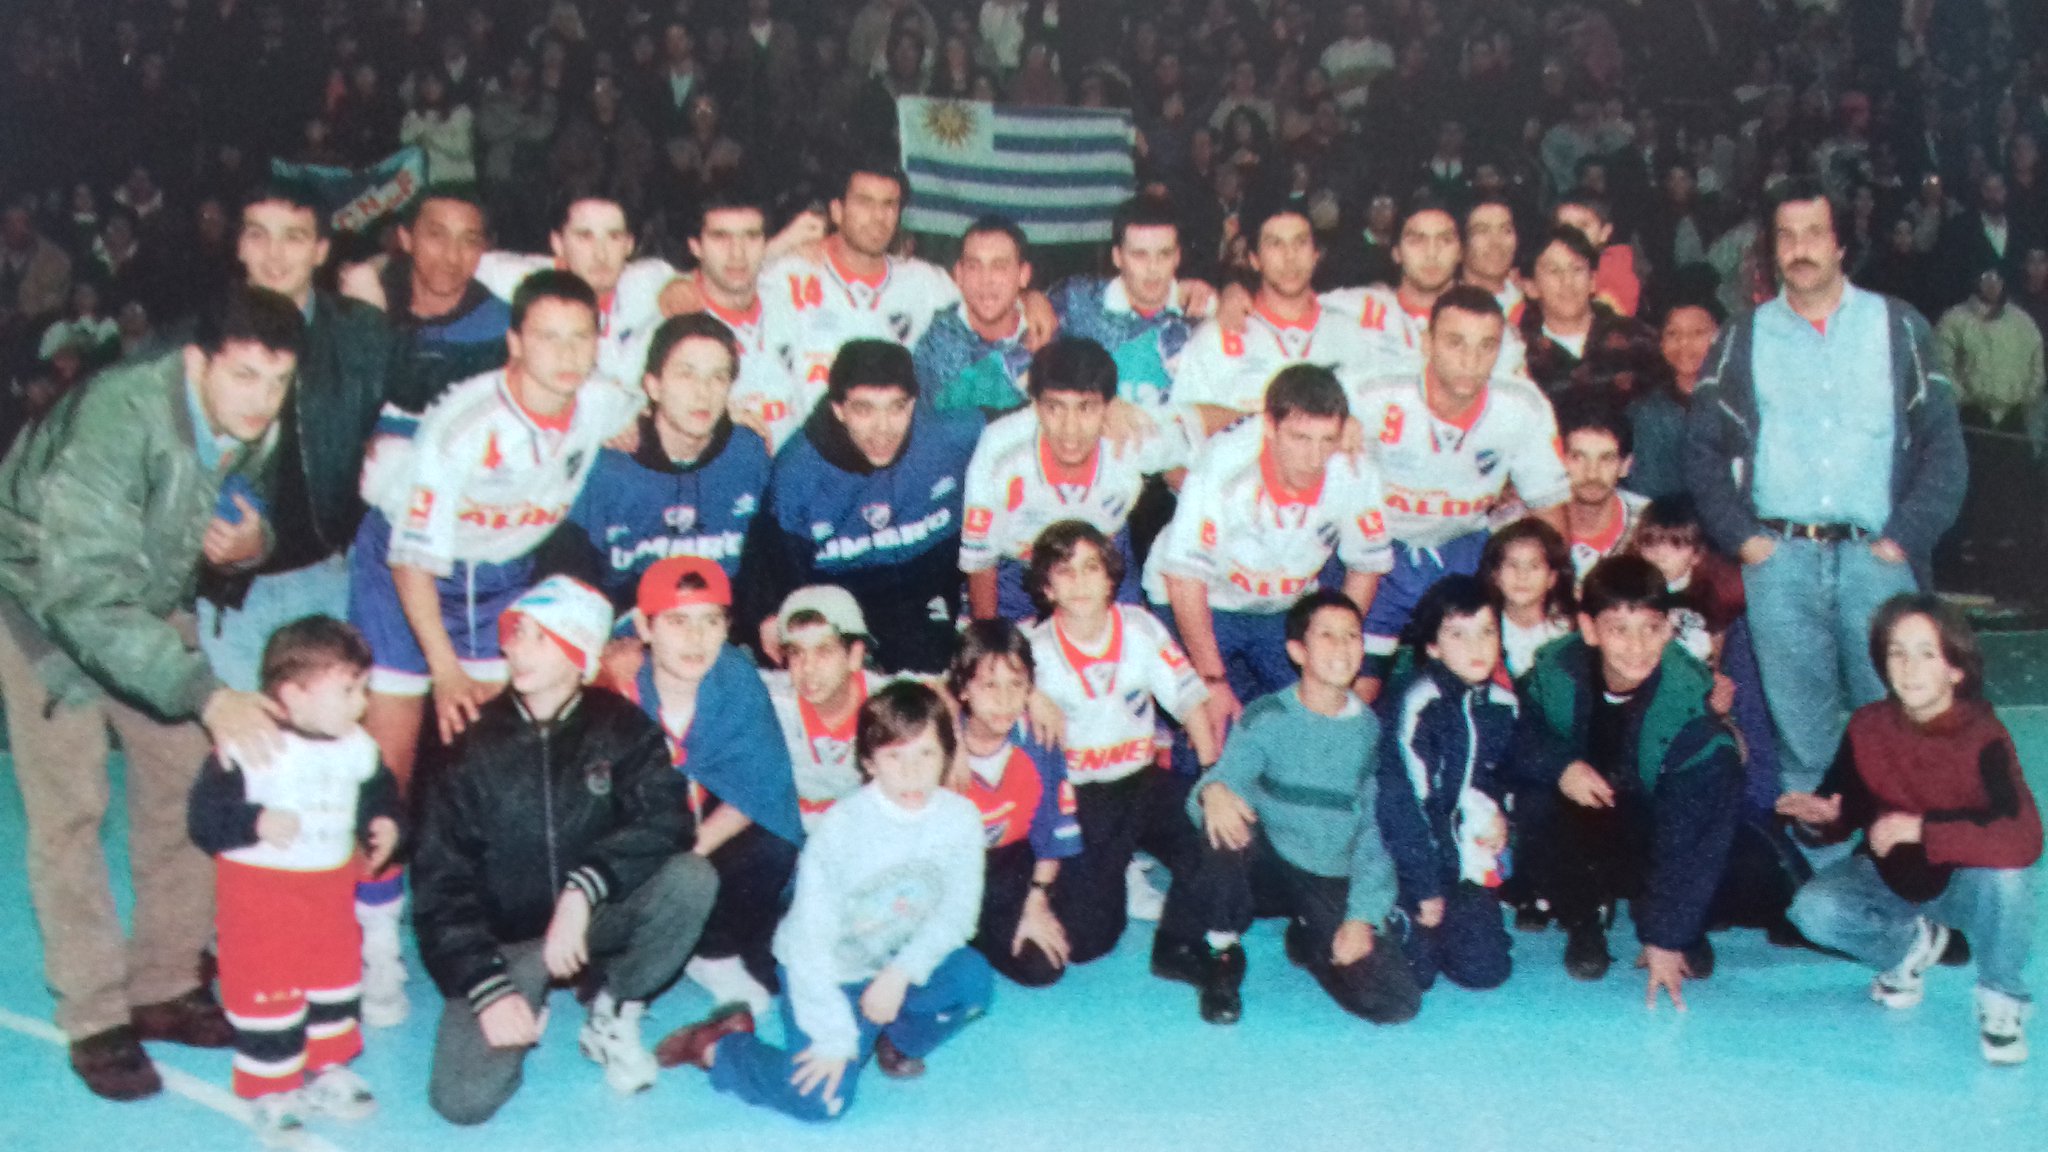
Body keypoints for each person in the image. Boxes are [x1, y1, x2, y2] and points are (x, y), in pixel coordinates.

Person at [0, 287, 300, 1100]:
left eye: (277, 382)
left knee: (184, 780)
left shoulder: (254, 410)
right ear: (197, 362)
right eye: (244, 378)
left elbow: (250, 502)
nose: (262, 400)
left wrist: (253, 541)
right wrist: (204, 690)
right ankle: (95, 1014)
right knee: (71, 808)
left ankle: (165, 983)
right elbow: (82, 597)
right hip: (40, 601)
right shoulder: (113, 421)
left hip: (144, 589)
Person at [1685, 178, 1967, 795]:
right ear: (1770, 249)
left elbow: (1945, 448)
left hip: (1877, 561)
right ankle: (1825, 886)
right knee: (1804, 746)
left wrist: (1903, 538)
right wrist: (1745, 540)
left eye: (1815, 233)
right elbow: (1700, 450)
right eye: (1786, 236)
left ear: (1841, 245)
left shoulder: (1899, 327)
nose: (1800, 248)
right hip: (1779, 564)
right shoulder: (1742, 336)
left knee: (1902, 726)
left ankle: (1908, 880)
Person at [412, 576, 718, 1124]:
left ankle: (611, 1005)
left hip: (591, 919)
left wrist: (583, 889)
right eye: (514, 634)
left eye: (537, 636)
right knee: (462, 1101)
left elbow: (669, 820)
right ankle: (529, 990)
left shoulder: (619, 724)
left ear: (579, 653)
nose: (514, 648)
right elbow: (439, 884)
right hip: (508, 943)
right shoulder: (468, 742)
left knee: (692, 878)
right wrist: (487, 987)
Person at [352, 269, 640, 788]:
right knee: (388, 771)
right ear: (515, 343)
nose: (567, 354)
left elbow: (639, 405)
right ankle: (383, 865)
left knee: (494, 765)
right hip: (405, 572)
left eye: (580, 338)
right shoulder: (464, 428)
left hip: (496, 577)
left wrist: (631, 422)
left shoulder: (601, 402)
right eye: (548, 337)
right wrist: (444, 669)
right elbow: (411, 559)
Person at [657, 681, 992, 1122]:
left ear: (947, 755)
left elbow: (957, 916)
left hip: (892, 965)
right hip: (830, 973)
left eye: (926, 754)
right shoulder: (842, 830)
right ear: (869, 762)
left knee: (972, 982)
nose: (912, 773)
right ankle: (717, 1047)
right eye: (895, 756)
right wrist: (835, 1036)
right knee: (822, 1102)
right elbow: (808, 947)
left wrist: (899, 974)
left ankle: (893, 1040)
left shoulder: (961, 819)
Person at [1780, 595, 2041, 1065]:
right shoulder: (1868, 726)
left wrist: (1920, 829)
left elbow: (2024, 836)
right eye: (1897, 652)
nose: (1909, 668)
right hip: (1889, 877)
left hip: (1961, 881)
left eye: (1927, 654)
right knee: (1812, 910)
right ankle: (1911, 948)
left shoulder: (1984, 737)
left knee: (2010, 876)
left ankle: (2001, 1000)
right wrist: (1819, 818)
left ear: (1955, 669)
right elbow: (1845, 809)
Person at [1152, 591, 1422, 1027]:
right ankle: (1221, 954)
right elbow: (1226, 776)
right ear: (1298, 651)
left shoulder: (1373, 732)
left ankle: (1310, 932)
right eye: (1327, 636)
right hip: (1267, 863)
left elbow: (1376, 836)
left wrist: (1361, 918)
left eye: (1352, 636)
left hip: (1327, 872)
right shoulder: (1267, 715)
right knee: (1223, 814)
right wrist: (1214, 791)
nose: (1342, 647)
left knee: (1394, 1000)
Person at [185, 617, 400, 1144]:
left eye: (364, 689)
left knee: (334, 978)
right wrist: (253, 822)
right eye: (349, 689)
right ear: (293, 694)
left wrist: (387, 821)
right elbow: (203, 818)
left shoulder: (357, 747)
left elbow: (379, 791)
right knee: (268, 987)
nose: (362, 703)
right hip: (261, 899)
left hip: (328, 892)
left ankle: (328, 1066)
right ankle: (270, 1087)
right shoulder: (249, 745)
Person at [1510, 556, 1740, 1007]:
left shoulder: (1689, 704)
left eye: (1650, 628)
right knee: (1535, 801)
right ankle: (1582, 919)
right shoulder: (1555, 669)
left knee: (1736, 876)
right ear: (1590, 630)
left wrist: (1666, 936)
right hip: (1581, 818)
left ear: (1668, 630)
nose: (1637, 647)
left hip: (1653, 826)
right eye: (1619, 629)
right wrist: (1561, 766)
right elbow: (1516, 730)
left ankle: (1653, 910)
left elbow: (1692, 835)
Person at [1144, 364, 1391, 740]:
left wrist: (1331, 641)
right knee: (1213, 729)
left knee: (1313, 724)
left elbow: (1366, 567)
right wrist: (1211, 680)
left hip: (1281, 608)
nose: (1314, 458)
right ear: (1270, 428)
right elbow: (1185, 581)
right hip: (1202, 601)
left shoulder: (1355, 469)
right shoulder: (1223, 464)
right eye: (1300, 439)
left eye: (1327, 440)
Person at [609, 556, 802, 1017]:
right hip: (631, 835)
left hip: (696, 832)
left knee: (774, 843)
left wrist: (685, 859)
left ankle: (712, 951)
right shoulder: (614, 685)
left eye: (710, 621)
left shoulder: (735, 677)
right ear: (645, 627)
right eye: (677, 621)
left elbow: (755, 789)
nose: (696, 639)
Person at [1024, 521, 1215, 959]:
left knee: (1223, 856)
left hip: (1142, 782)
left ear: (1111, 577)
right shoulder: (1033, 652)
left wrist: (1211, 779)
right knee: (1087, 941)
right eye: (1064, 571)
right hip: (1081, 795)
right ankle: (1119, 866)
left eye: (1091, 567)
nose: (1080, 582)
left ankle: (1130, 850)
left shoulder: (1140, 627)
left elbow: (1189, 701)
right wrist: (1030, 693)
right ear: (1046, 587)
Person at [1352, 285, 1569, 671]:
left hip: (1463, 544)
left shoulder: (1521, 405)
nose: (1471, 360)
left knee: (1484, 670)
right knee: (1358, 677)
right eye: (1456, 343)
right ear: (1427, 342)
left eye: (1487, 346)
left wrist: (1555, 601)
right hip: (1381, 545)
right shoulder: (1372, 391)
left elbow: (1549, 510)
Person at [745, 339, 981, 673]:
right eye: (864, 409)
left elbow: (1031, 420)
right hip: (844, 608)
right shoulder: (798, 472)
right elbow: (769, 575)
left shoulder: (948, 437)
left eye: (896, 408)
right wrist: (768, 615)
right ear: (838, 409)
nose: (883, 428)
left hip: (924, 605)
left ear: (913, 404)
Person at [961, 337, 1184, 621]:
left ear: (1108, 405)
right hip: (1019, 571)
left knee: (1126, 653)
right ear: (1036, 406)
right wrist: (990, 643)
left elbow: (1204, 434)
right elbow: (981, 561)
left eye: (1086, 408)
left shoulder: (1131, 435)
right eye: (1055, 408)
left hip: (1103, 558)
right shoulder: (999, 449)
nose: (1071, 429)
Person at [565, 313, 771, 612]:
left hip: (719, 631)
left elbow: (762, 568)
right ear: (653, 386)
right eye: (686, 375)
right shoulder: (608, 468)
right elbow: (573, 579)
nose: (703, 392)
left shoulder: (747, 454)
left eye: (718, 377)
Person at [1377, 576, 1517, 993]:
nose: (1476, 647)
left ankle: (1458, 924)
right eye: (1458, 634)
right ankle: (1390, 912)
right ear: (1433, 647)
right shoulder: (1419, 702)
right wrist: (1424, 887)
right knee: (1415, 977)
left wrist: (1503, 820)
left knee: (1486, 971)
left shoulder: (1503, 705)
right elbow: (1402, 803)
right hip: (1412, 860)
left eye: (1487, 632)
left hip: (1464, 860)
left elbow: (1504, 780)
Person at [1170, 199, 1388, 437]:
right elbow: (1182, 435)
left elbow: (1377, 428)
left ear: (1316, 254)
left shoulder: (1351, 332)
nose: (1290, 256)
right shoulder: (1218, 336)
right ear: (1254, 259)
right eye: (1275, 244)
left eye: (1300, 243)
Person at [948, 619, 1084, 987]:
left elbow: (1052, 828)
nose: (1004, 701)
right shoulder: (936, 742)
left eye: (1016, 686)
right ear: (962, 689)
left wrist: (1035, 902)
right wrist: (950, 732)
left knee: (1046, 963)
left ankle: (977, 928)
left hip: (1010, 863)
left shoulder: (1039, 739)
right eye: (989, 686)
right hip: (947, 871)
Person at [474, 194, 677, 384]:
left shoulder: (651, 284)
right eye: (585, 237)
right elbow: (475, 263)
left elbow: (688, 283)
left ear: (629, 244)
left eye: (614, 236)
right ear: (558, 243)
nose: (600, 254)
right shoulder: (526, 280)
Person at [1933, 265, 2045, 596]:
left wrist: (2026, 396)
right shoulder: (1955, 320)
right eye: (1985, 278)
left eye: (1997, 278)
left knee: (2013, 495)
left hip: (2012, 418)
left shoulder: (2022, 322)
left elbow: (2037, 363)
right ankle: (1967, 564)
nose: (1992, 284)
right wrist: (1964, 399)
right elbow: (1943, 364)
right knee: (1974, 493)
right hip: (1974, 419)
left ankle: (2012, 566)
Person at [1048, 195, 1212, 411]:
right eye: (1140, 255)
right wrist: (1029, 300)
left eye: (1164, 254)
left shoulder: (1202, 312)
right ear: (1117, 257)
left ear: (1178, 256)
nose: (1153, 268)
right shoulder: (1077, 301)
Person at [1519, 225, 1662, 401]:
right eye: (1554, 271)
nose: (1567, 282)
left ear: (1593, 280)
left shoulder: (1638, 341)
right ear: (1530, 287)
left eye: (1577, 269)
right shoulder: (1520, 352)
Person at [914, 215, 1036, 413]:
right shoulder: (933, 342)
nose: (985, 280)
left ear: (1023, 275)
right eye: (974, 266)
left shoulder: (1047, 334)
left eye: (999, 266)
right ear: (959, 275)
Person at [1626, 298, 1723, 500]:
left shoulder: (1739, 405)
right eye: (1673, 334)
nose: (1684, 343)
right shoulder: (1647, 412)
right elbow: (1645, 489)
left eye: (1698, 333)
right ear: (1661, 342)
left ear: (1721, 337)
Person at [1556, 395, 1650, 584]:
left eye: (1606, 459)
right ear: (1559, 460)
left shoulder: (1650, 525)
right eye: (1578, 457)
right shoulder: (1522, 523)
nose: (1592, 474)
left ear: (1625, 465)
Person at [1481, 518, 1575, 681]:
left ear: (1552, 578)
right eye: (1512, 565)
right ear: (1495, 575)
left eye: (1534, 566)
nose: (1522, 576)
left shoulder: (1568, 632)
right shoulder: (1482, 629)